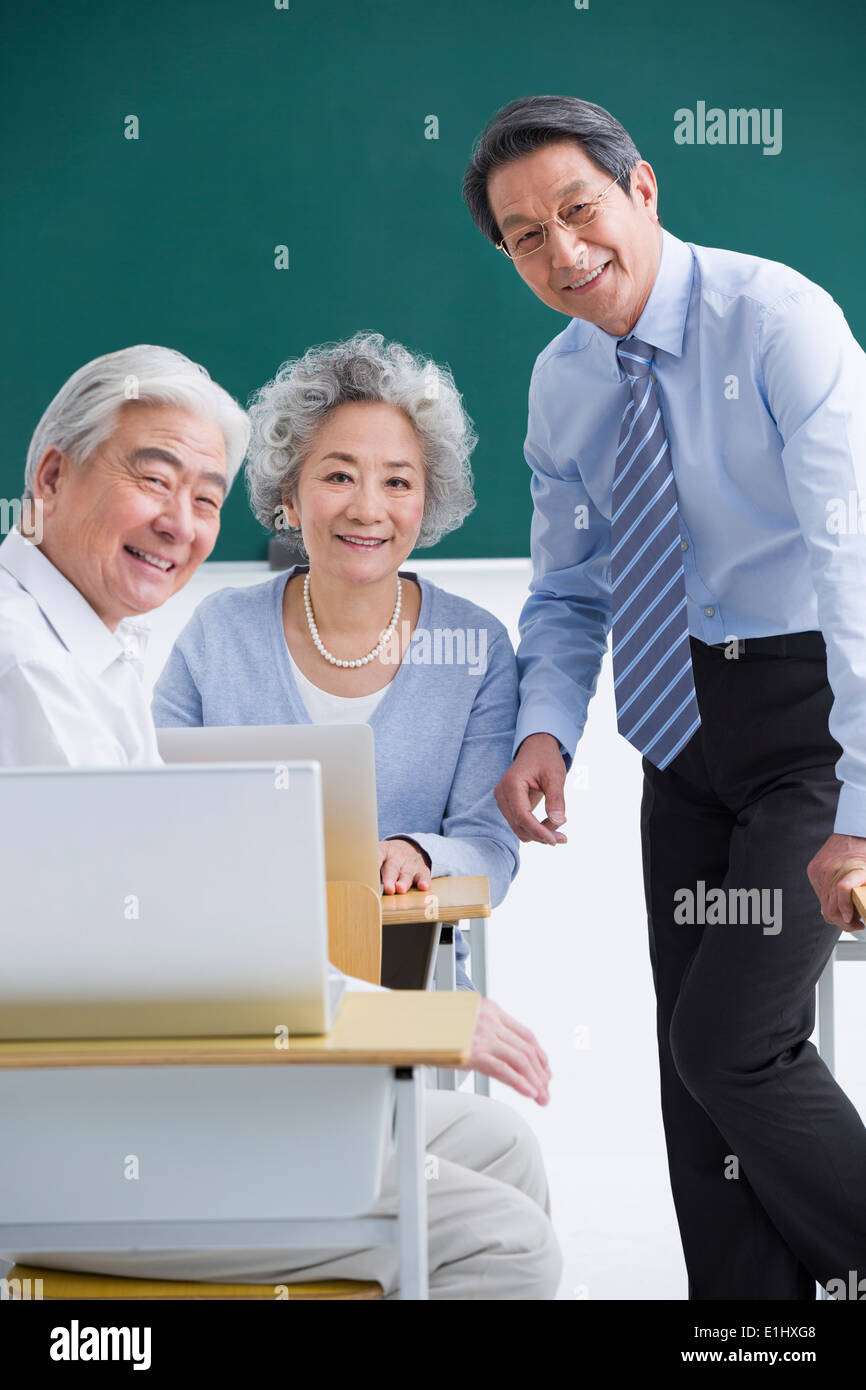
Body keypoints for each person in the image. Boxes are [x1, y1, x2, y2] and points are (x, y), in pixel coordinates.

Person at [0, 343, 561, 1299]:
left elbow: (174, 911)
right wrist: (396, 1014)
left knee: (500, 1144)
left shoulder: (102, 647)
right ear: (51, 476)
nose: (180, 525)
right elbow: (148, 947)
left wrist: (395, 1002)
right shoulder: (30, 671)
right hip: (91, 1128)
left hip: (153, 1079)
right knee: (505, 1243)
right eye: (153, 479)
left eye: (205, 499)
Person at [462, 94, 866, 1299]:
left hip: (811, 721)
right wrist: (544, 727)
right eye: (523, 236)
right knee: (688, 1078)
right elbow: (570, 589)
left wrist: (859, 801)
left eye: (576, 208)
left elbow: (854, 570)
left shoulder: (778, 319)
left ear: (642, 191)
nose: (560, 249)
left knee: (729, 1043)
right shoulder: (559, 382)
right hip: (681, 732)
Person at [152, 331, 519, 993]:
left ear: (425, 500)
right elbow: (145, 807)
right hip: (232, 980)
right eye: (339, 474)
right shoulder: (219, 633)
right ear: (289, 496)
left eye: (397, 481)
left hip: (405, 989)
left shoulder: (479, 648)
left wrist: (418, 853)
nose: (367, 508)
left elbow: (492, 851)